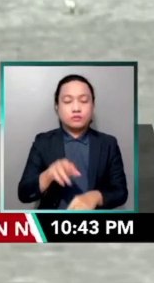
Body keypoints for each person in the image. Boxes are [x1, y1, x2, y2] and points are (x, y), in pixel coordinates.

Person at [16, 74, 128, 211]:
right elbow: (24, 193)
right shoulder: (43, 142)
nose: (76, 108)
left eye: (84, 100)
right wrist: (48, 174)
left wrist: (95, 197)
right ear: (57, 106)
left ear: (93, 105)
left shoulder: (108, 143)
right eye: (68, 101)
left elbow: (120, 192)